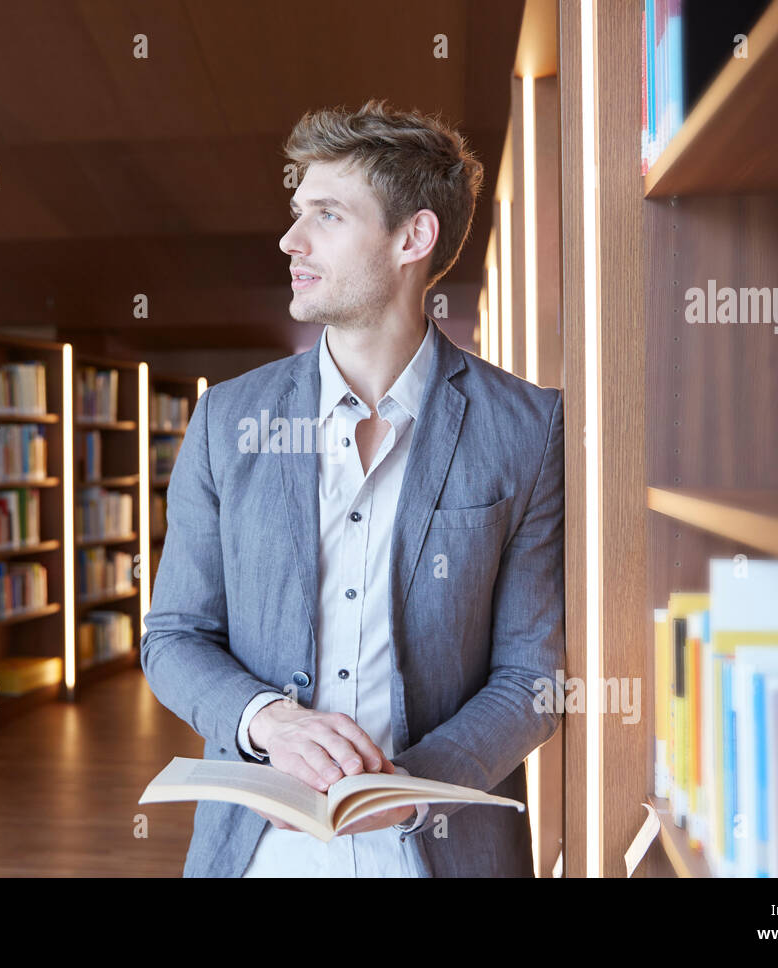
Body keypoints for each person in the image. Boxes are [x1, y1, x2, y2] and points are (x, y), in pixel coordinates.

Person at [141, 98, 564, 877]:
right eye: (297, 212)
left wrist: (423, 781)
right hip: (256, 849)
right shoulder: (225, 418)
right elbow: (172, 637)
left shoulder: (530, 429)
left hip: (442, 847)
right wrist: (267, 718)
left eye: (327, 215)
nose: (290, 240)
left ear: (413, 237)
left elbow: (531, 675)